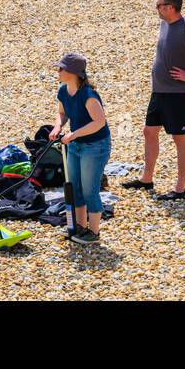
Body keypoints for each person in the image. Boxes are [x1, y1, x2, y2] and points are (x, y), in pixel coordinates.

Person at [121, 0, 185, 201]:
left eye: (159, 5)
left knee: (179, 138)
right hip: (159, 91)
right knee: (149, 131)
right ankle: (147, 178)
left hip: (177, 94)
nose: (156, 9)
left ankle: (180, 189)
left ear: (170, 7)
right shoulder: (165, 24)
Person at [51, 53, 112, 245]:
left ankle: (93, 232)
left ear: (72, 72)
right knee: (74, 187)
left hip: (95, 146)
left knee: (89, 189)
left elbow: (99, 122)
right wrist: (58, 127)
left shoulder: (88, 95)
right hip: (76, 144)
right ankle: (79, 227)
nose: (58, 72)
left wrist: (73, 135)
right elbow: (62, 113)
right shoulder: (63, 91)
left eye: (61, 68)